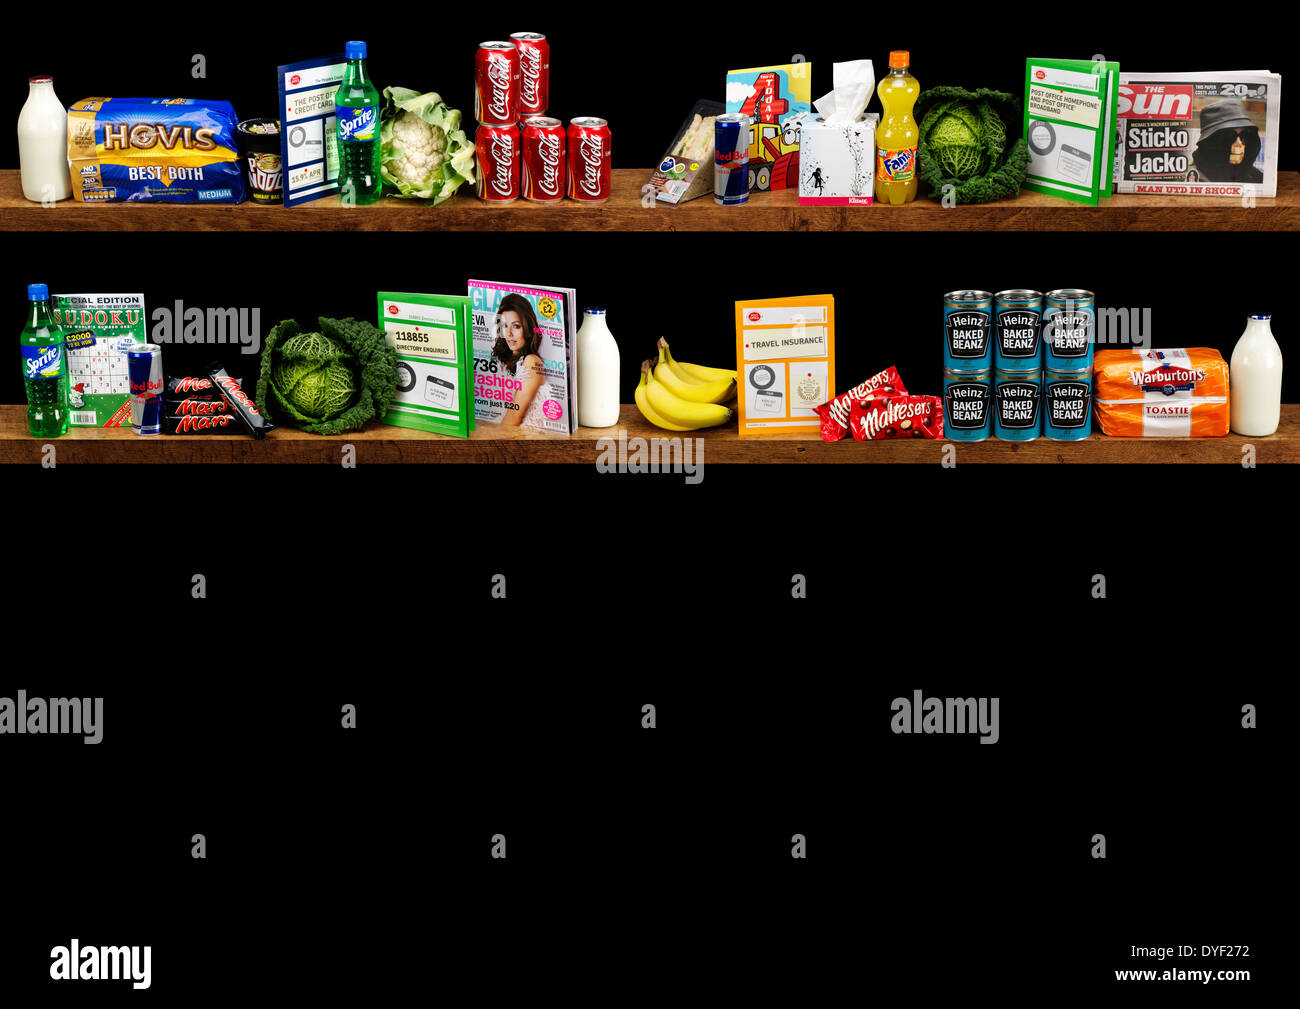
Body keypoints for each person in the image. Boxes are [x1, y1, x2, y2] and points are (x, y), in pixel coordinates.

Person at [491, 293, 554, 429]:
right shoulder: (507, 362)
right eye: (505, 325)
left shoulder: (532, 361)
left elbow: (515, 417)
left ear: (529, 329)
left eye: (516, 326)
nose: (509, 333)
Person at [1186, 99, 1264, 184]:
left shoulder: (1255, 176)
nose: (1239, 144)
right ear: (1210, 143)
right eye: (1229, 137)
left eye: (1244, 136)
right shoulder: (1189, 177)